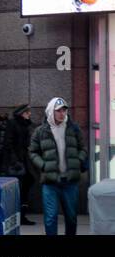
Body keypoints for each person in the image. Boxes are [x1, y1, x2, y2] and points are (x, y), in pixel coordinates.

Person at [28, 97, 88, 235]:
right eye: (58, 111)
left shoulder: (73, 129)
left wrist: (78, 161)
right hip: (50, 183)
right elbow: (32, 151)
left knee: (71, 218)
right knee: (50, 218)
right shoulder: (40, 131)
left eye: (64, 110)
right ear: (50, 112)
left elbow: (83, 148)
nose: (62, 113)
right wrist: (43, 165)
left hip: (70, 182)